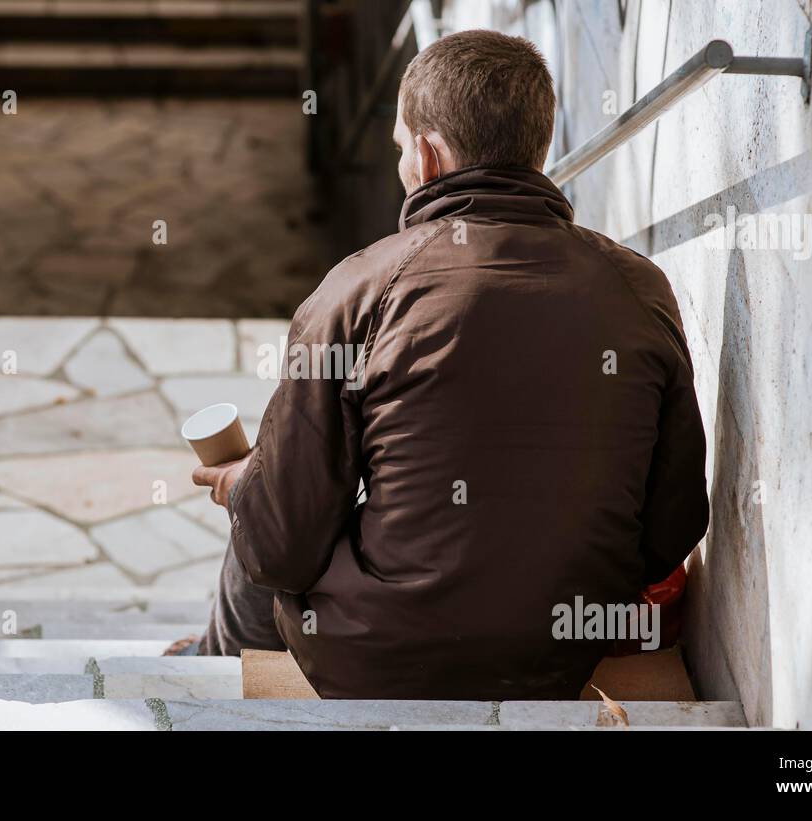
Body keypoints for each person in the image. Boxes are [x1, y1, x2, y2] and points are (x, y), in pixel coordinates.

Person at [187, 29, 710, 700]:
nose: (403, 163)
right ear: (537, 144)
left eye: (403, 148)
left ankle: (206, 664)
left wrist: (249, 486)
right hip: (561, 655)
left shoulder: (357, 289)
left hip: (374, 658)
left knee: (266, 509)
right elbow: (673, 527)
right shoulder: (640, 288)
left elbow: (281, 548)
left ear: (429, 157)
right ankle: (206, 649)